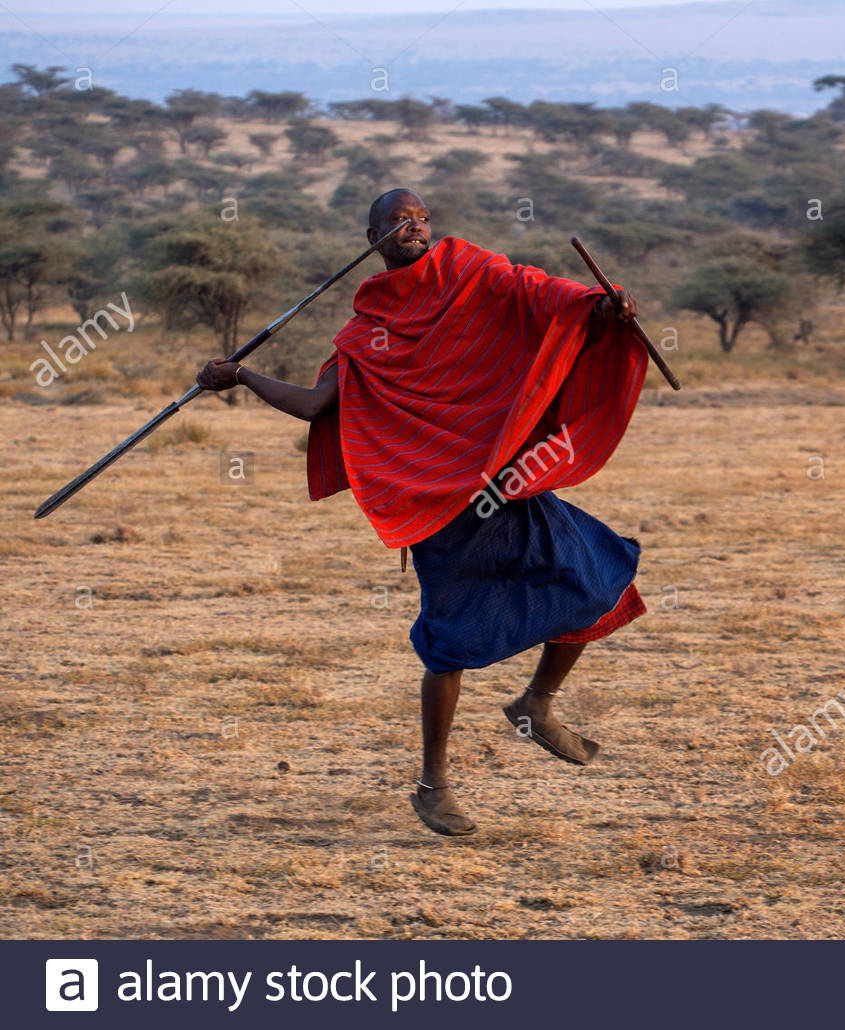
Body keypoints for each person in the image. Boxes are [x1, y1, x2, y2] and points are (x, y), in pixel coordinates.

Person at [196, 188, 649, 836]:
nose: (415, 226)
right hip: (436, 503)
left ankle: (536, 704)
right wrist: (241, 378)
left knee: (600, 577)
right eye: (399, 221)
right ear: (373, 237)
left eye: (422, 218)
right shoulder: (361, 335)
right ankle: (433, 785)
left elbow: (539, 292)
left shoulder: (470, 273)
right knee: (450, 642)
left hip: (501, 478)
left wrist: (600, 307)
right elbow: (318, 405)